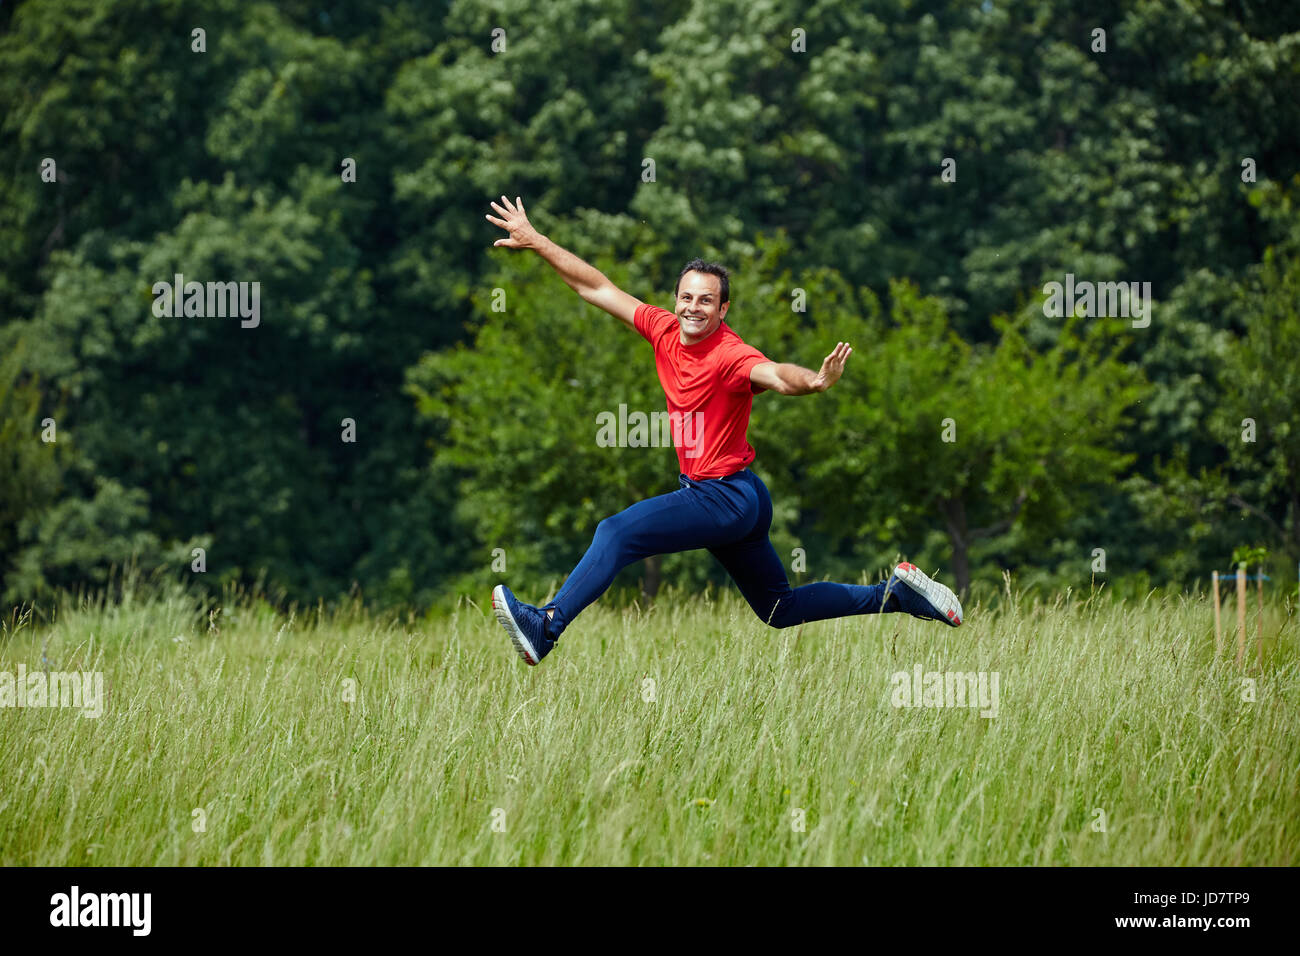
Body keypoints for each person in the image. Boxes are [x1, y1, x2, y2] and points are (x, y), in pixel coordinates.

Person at [484, 196, 963, 665]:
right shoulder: (663, 329)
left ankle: (545, 628)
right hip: (744, 497)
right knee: (779, 608)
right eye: (687, 297)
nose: (693, 307)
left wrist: (814, 382)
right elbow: (595, 288)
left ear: (723, 309)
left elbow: (776, 374)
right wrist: (537, 241)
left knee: (615, 532)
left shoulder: (730, 356)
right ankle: (895, 594)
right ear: (676, 300)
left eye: (706, 300)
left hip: (721, 500)